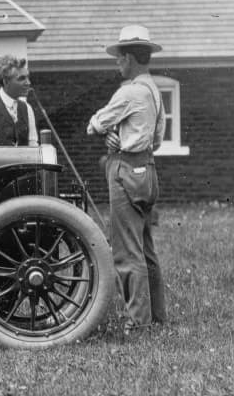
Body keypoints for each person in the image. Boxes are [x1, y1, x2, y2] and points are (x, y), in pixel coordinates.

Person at [87, 24, 167, 328]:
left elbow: (94, 124)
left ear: (131, 58)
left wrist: (113, 136)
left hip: (124, 171)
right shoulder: (154, 91)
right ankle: (156, 316)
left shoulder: (129, 92)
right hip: (147, 170)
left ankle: (138, 320)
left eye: (119, 58)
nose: (117, 63)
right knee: (146, 248)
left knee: (125, 250)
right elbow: (156, 140)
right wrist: (124, 136)